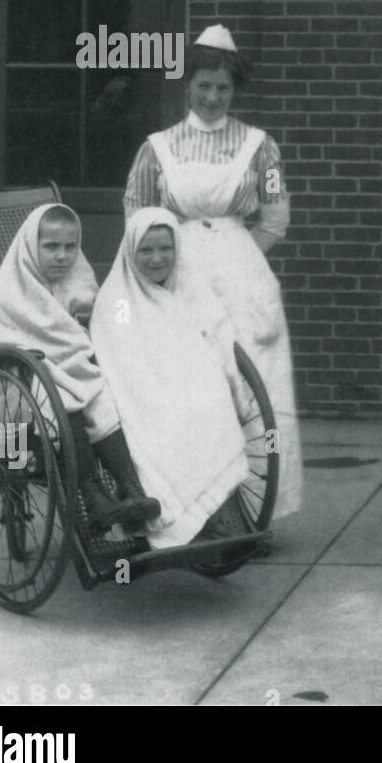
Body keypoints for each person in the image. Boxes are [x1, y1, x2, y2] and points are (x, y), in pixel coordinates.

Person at [123, 24, 302, 520]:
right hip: (177, 274)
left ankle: (256, 507)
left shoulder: (260, 146)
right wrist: (165, 265)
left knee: (253, 383)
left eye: (223, 88)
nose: (212, 96)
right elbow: (137, 215)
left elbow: (275, 214)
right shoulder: (157, 147)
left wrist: (240, 253)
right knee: (191, 383)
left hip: (242, 273)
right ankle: (196, 506)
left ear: (234, 90)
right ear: (187, 85)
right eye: (204, 86)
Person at [0, 204, 160, 532]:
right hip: (18, 388)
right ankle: (91, 493)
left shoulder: (76, 283)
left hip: (66, 373)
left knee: (101, 392)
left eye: (70, 247)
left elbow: (92, 324)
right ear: (30, 246)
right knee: (60, 394)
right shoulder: (9, 291)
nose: (62, 256)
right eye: (51, 247)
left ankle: (130, 486)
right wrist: (38, 357)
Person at [91, 208, 253, 549]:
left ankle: (217, 509)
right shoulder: (118, 300)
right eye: (146, 250)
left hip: (189, 383)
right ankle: (183, 516)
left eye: (165, 249)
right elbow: (121, 359)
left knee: (211, 406)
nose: (157, 259)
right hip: (141, 391)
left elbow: (213, 330)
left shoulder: (188, 285)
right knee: (172, 423)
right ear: (130, 253)